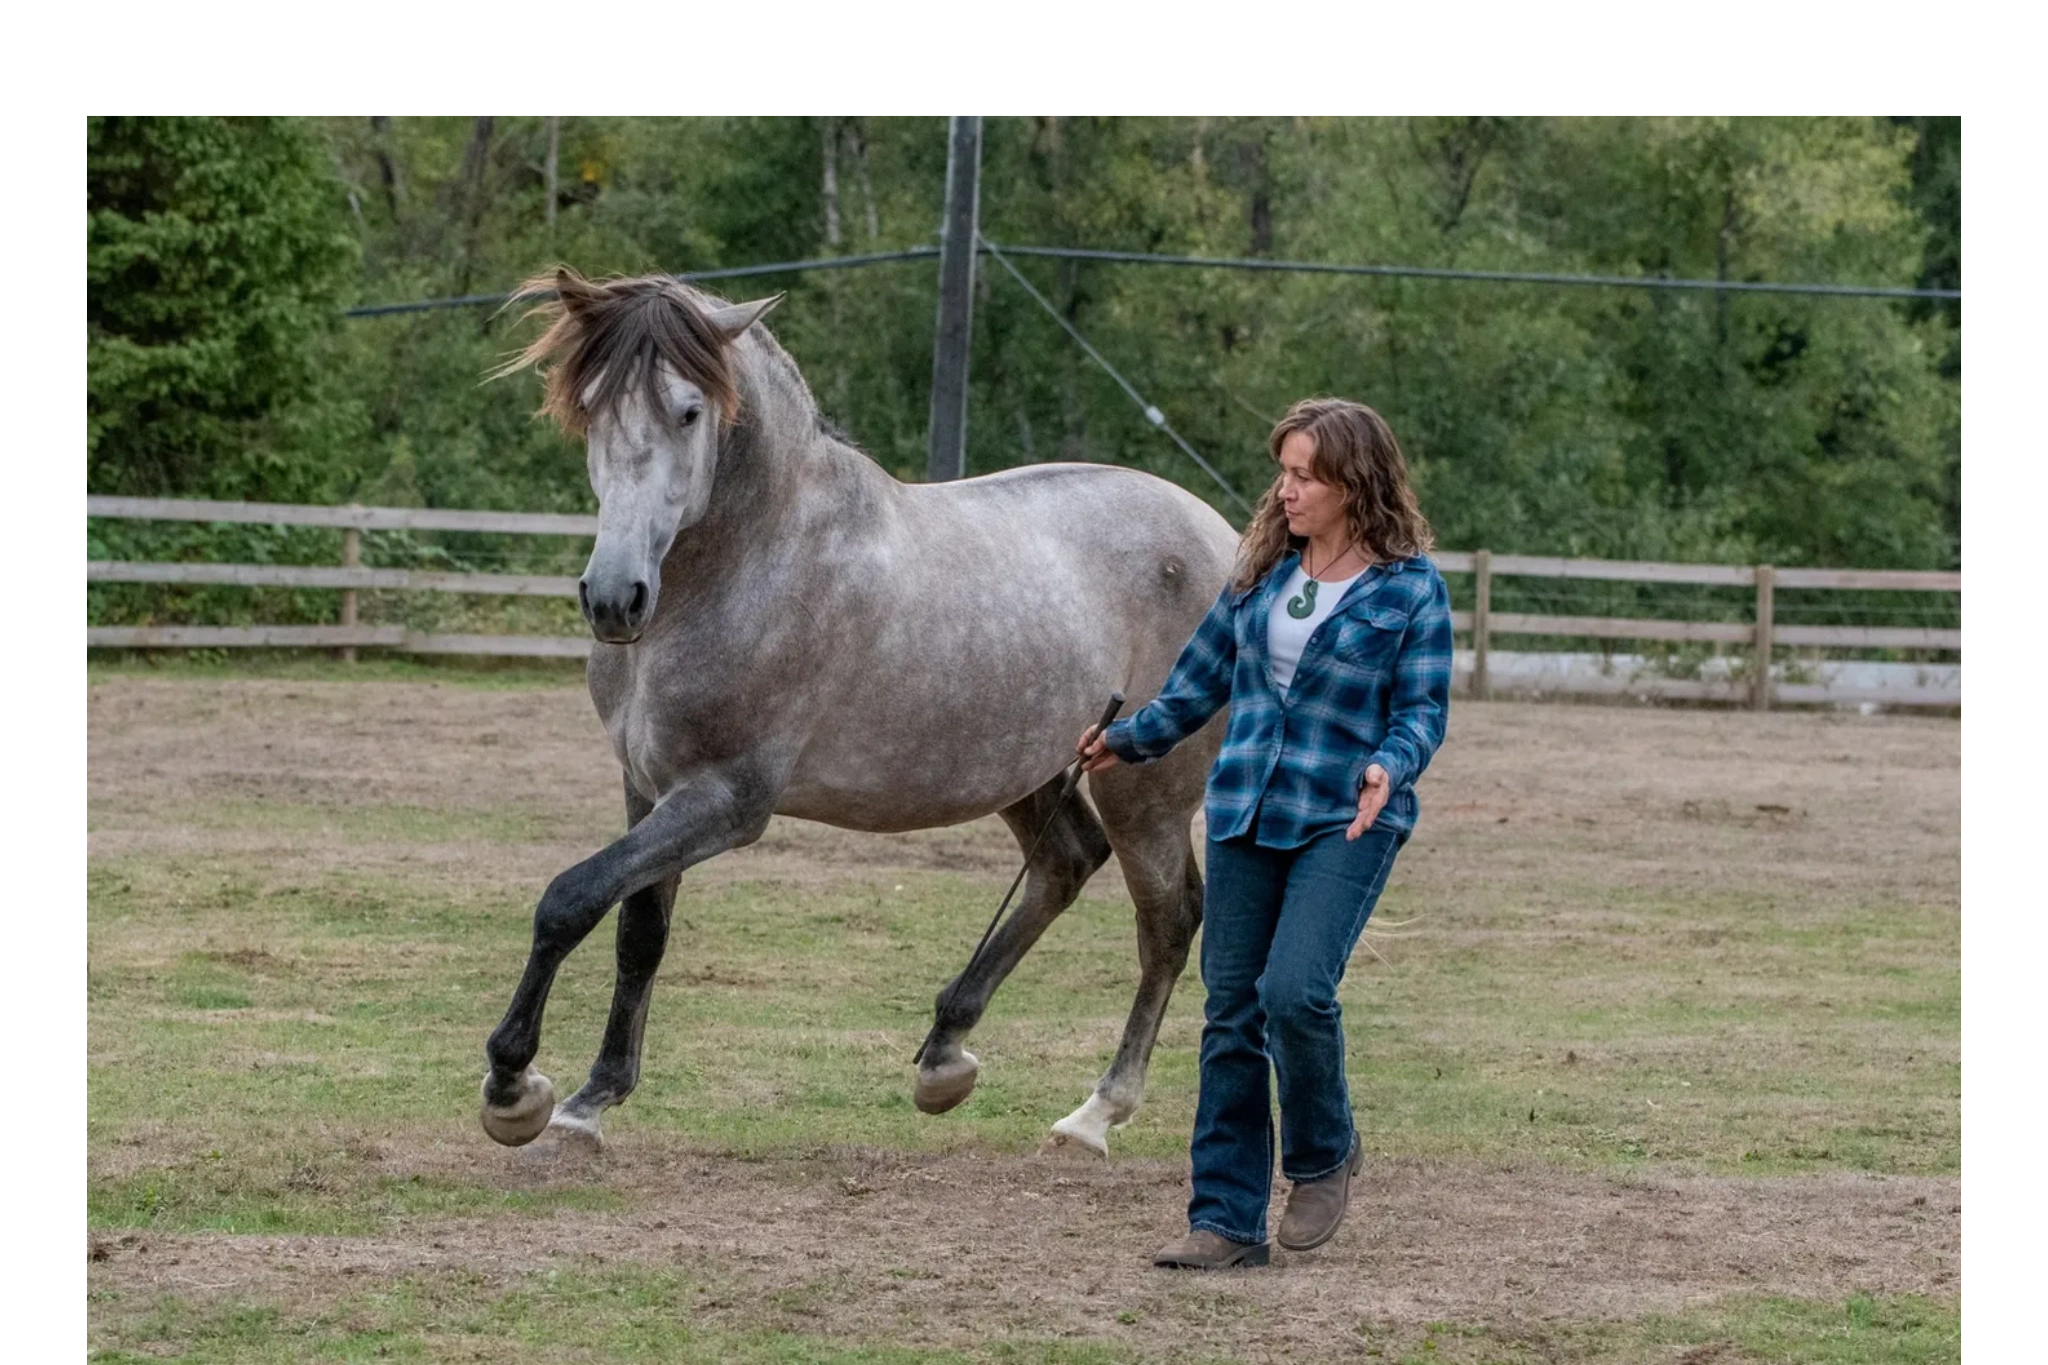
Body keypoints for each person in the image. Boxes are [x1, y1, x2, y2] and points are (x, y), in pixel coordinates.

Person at [1078, 397, 1453, 1269]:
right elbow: (1196, 682)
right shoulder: (1258, 575)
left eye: (1303, 475)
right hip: (1246, 804)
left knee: (1294, 993)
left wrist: (1388, 766)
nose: (1285, 490)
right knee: (1231, 1014)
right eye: (1283, 471)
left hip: (1346, 816)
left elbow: (1423, 712)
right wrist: (1127, 737)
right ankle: (1227, 1220)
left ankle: (1324, 1152)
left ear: (1353, 484)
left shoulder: (1409, 589)